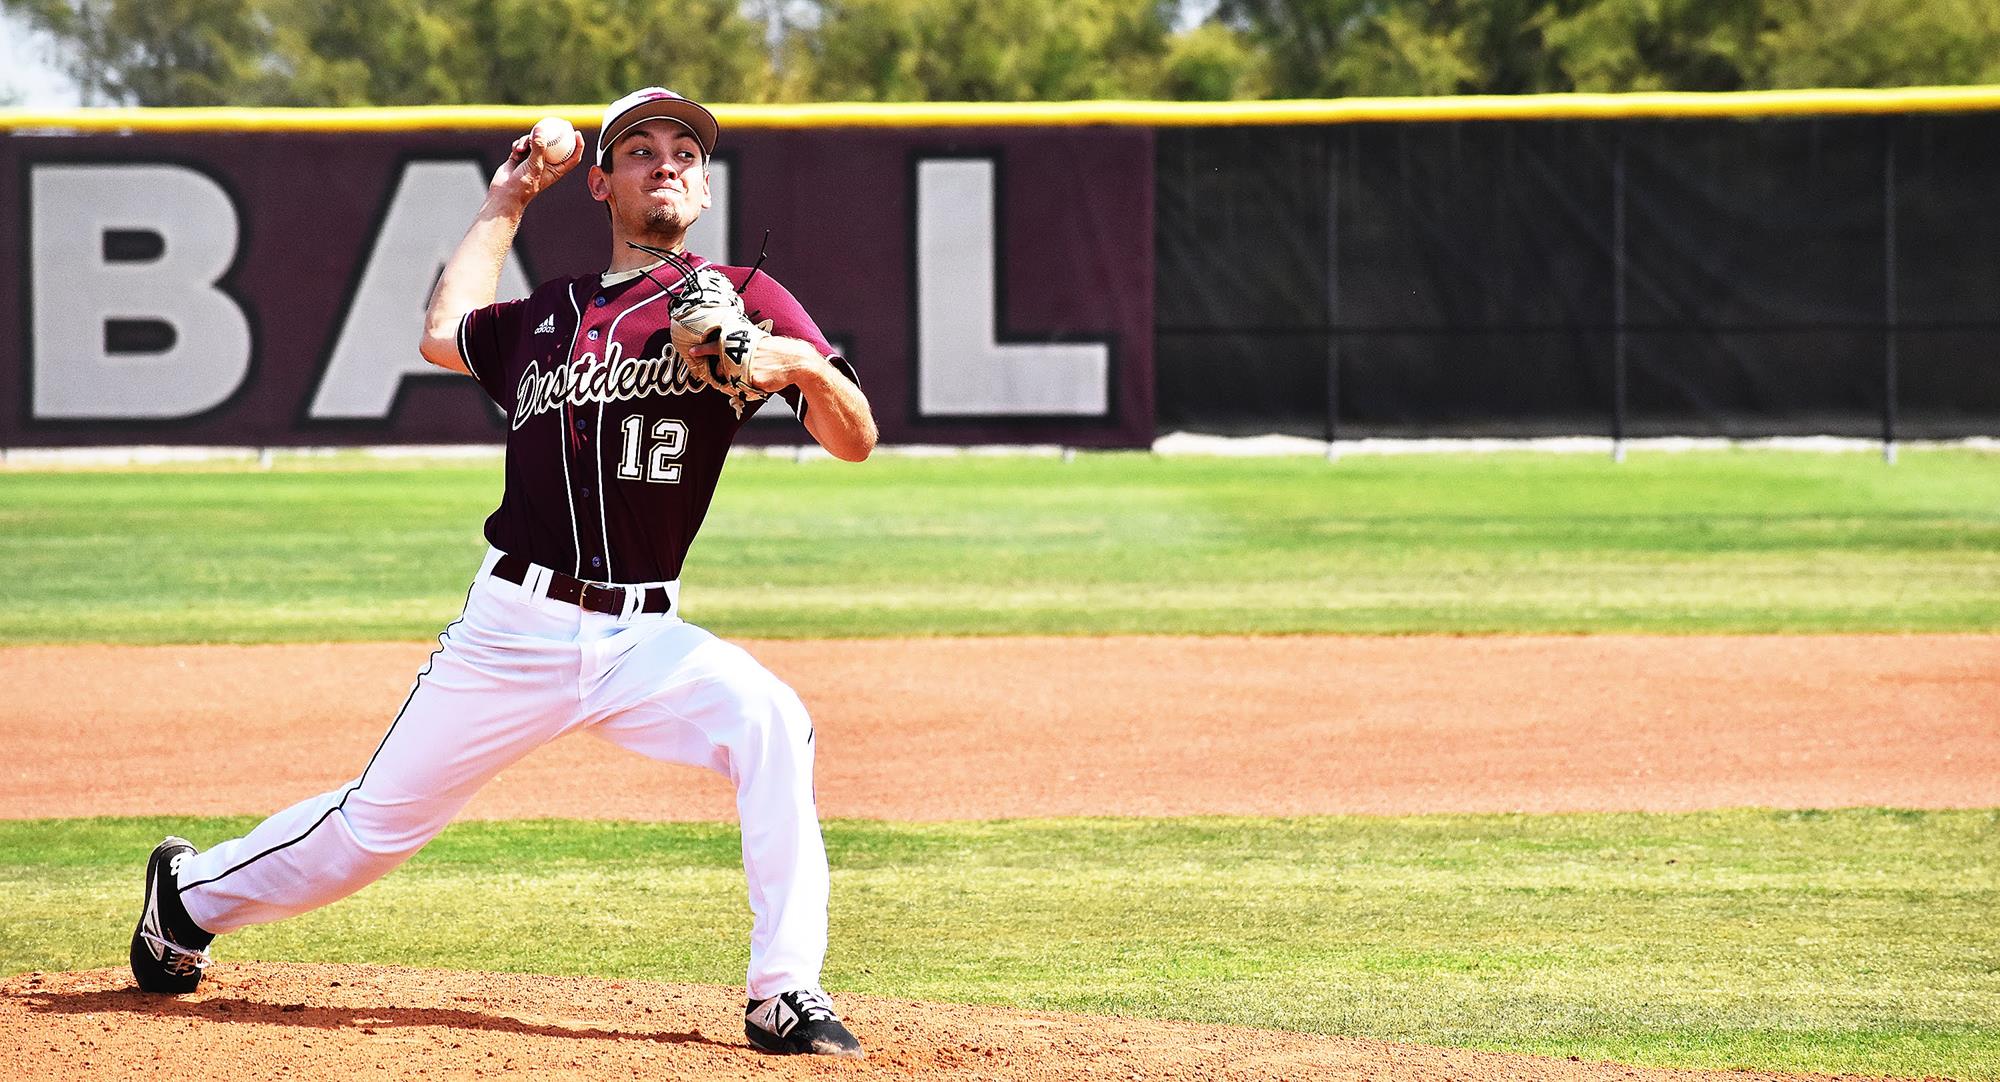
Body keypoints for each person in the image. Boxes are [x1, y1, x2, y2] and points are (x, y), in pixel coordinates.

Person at [128, 87, 878, 1059]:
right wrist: (508, 197)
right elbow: (443, 332)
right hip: (511, 629)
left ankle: (784, 990)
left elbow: (854, 437)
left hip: (643, 637)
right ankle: (186, 897)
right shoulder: (548, 313)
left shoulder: (745, 296)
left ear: (702, 187)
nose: (666, 163)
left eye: (685, 152)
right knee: (368, 835)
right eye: (640, 149)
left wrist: (785, 362)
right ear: (600, 183)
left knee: (770, 719)